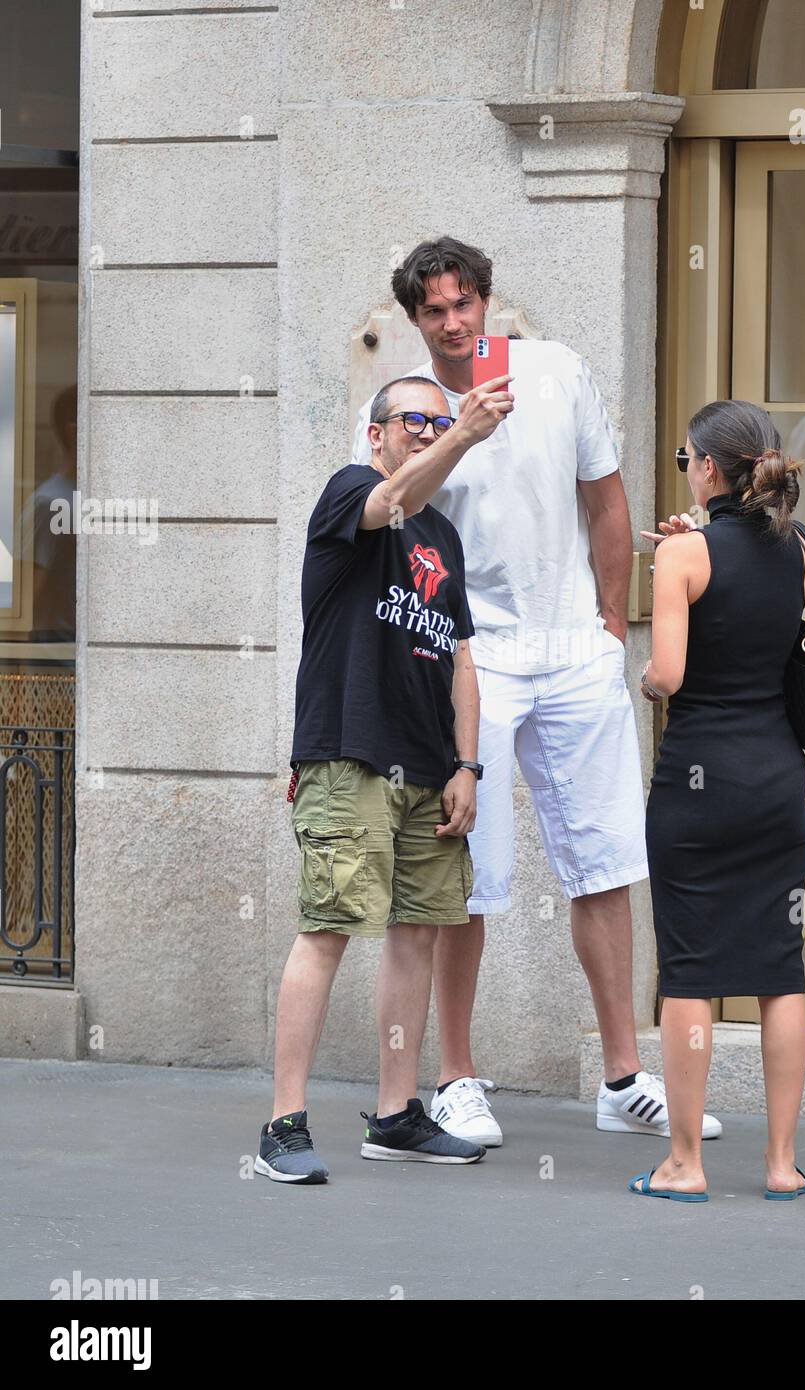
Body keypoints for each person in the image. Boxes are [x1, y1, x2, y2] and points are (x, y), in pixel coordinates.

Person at [353, 237, 721, 1146]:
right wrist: (458, 430)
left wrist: (609, 621)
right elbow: (385, 517)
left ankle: (623, 1077)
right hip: (467, 656)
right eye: (432, 310)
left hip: (573, 650)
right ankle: (457, 1078)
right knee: (468, 877)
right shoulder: (400, 405)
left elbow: (605, 501)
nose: (451, 322)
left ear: (487, 300)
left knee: (605, 861)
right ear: (413, 320)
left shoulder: (557, 372)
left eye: (463, 303)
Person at [256, 371, 513, 1182]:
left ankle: (399, 1113)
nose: (431, 430)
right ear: (375, 434)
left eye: (442, 422)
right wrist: (469, 434)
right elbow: (388, 505)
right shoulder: (351, 490)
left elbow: (462, 658)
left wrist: (467, 764)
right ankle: (282, 1125)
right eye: (415, 420)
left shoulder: (445, 534)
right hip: (350, 752)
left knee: (417, 937)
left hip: (429, 767)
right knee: (330, 926)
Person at [630, 400, 805, 1202]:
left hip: (699, 780)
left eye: (686, 459)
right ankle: (781, 1165)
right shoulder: (800, 547)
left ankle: (685, 1164)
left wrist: (644, 676)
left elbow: (667, 673)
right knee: (780, 968)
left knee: (692, 970)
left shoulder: (683, 558)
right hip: (777, 774)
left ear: (707, 468)